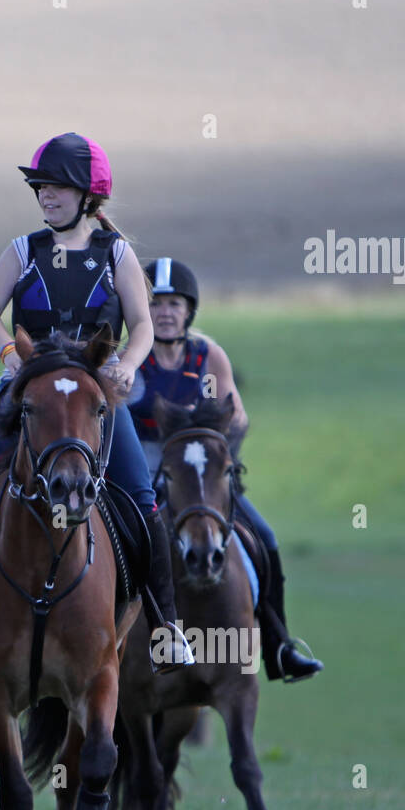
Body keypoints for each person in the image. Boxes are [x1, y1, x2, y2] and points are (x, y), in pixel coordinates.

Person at [0, 132, 195, 670]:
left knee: (143, 506)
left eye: (57, 187)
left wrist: (125, 365)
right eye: (40, 187)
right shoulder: (22, 249)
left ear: (87, 196)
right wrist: (7, 352)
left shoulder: (114, 253)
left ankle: (167, 627)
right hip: (25, 393)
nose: (45, 196)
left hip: (93, 401)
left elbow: (141, 325)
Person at [127, 258, 323, 682]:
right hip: (140, 466)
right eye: (155, 303)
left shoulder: (207, 355)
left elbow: (238, 418)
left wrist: (219, 461)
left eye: (174, 303)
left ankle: (279, 646)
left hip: (199, 472)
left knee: (264, 539)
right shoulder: (130, 356)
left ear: (189, 310)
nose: (164, 312)